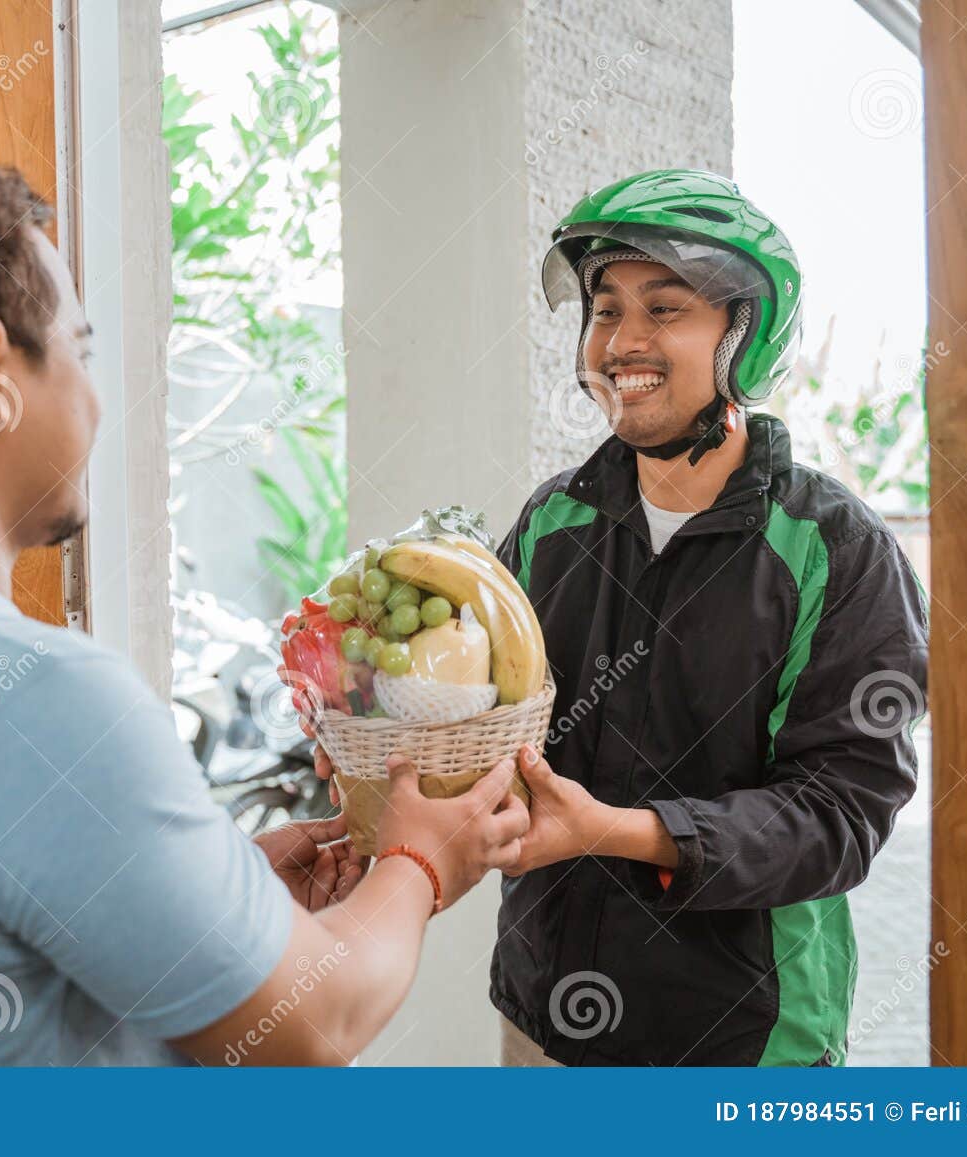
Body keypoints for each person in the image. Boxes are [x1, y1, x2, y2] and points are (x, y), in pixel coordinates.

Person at [0, 150, 527, 1067]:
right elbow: (314, 1023)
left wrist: (218, 900)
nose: (94, 399)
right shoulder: (30, 692)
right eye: (80, 350)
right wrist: (418, 863)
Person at [314, 169, 928, 1065]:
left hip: (747, 1036)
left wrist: (611, 829)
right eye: (606, 309)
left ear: (743, 337)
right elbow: (491, 726)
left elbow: (841, 815)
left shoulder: (832, 549)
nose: (622, 341)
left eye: (666, 309)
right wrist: (377, 757)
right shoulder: (554, 522)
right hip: (544, 1011)